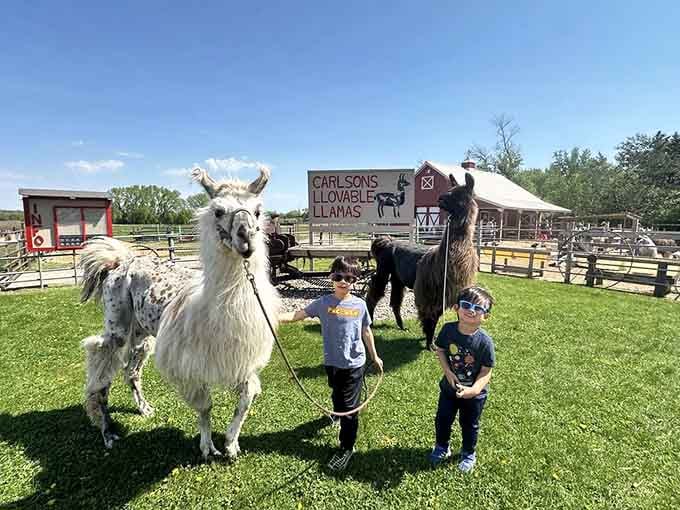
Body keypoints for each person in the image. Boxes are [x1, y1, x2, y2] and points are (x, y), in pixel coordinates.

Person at [280, 256, 383, 471]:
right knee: (336, 394)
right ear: (331, 278)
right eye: (338, 276)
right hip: (332, 363)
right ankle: (337, 414)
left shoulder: (360, 305)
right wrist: (273, 316)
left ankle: (347, 447)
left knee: (349, 408)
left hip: (354, 364)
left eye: (349, 278)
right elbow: (298, 315)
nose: (343, 281)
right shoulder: (323, 303)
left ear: (355, 280)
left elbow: (366, 331)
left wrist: (374, 356)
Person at [429, 286, 495, 473]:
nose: (471, 310)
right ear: (456, 308)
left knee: (469, 424)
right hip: (449, 390)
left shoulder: (485, 342)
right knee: (442, 419)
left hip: (475, 395)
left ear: (486, 316)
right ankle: (442, 447)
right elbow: (441, 350)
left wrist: (474, 390)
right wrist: (448, 373)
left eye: (478, 308)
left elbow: (486, 370)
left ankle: (468, 453)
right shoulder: (448, 330)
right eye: (466, 305)